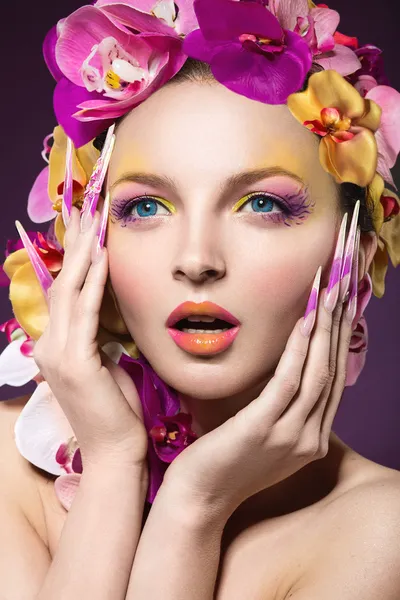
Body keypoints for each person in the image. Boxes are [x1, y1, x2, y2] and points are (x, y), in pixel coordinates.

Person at [0, 0, 400, 598]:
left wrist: (193, 507)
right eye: (145, 207)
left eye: (263, 204)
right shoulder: (7, 471)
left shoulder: (381, 531)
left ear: (358, 260)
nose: (196, 259)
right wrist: (112, 467)